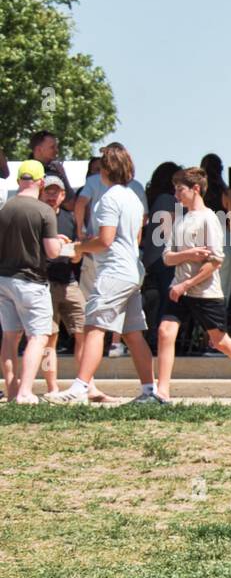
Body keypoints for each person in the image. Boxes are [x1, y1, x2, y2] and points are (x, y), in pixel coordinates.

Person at [155, 168, 231, 407]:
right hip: (180, 289)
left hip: (204, 292)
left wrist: (186, 284)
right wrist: (189, 254)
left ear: (196, 189)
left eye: (180, 189)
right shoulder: (180, 218)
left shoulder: (209, 219)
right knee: (165, 332)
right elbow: (167, 257)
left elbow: (216, 261)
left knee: (221, 341)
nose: (176, 194)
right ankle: (162, 392)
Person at [49, 143, 159, 406]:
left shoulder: (109, 198)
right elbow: (133, 237)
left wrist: (78, 247)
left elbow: (105, 240)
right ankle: (149, 390)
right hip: (133, 270)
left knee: (94, 327)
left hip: (114, 271)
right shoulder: (132, 196)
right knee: (133, 334)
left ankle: (80, 386)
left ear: (105, 169)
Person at [0, 161, 62, 404]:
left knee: (9, 337)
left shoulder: (4, 209)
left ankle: (12, 390)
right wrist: (59, 241)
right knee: (38, 336)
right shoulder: (43, 211)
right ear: (41, 182)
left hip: (4, 280)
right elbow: (52, 251)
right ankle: (25, 391)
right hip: (32, 281)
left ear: (18, 181)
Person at [37, 179, 90, 400]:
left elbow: (78, 255)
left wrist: (74, 250)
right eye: (47, 191)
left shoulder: (70, 218)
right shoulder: (36, 217)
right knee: (49, 339)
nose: (51, 195)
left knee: (85, 332)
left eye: (56, 192)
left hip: (69, 282)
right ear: (41, 193)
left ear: (62, 196)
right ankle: (52, 388)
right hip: (43, 282)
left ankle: (85, 384)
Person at [142, 162, 181, 353]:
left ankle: (153, 339)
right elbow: (170, 231)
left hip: (152, 257)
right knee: (166, 303)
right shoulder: (168, 200)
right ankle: (160, 342)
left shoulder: (156, 198)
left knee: (157, 303)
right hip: (164, 259)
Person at [201, 153, 231, 306]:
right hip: (223, 240)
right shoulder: (227, 193)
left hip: (201, 240)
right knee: (222, 289)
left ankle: (200, 325)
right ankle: (216, 324)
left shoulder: (198, 193)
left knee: (202, 288)